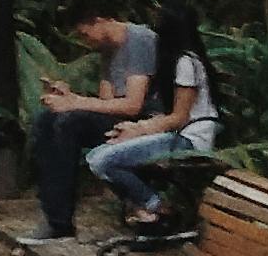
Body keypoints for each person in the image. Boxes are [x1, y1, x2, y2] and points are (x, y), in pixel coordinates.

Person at [29, 3, 158, 239]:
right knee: (46, 120)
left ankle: (60, 221)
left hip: (144, 123)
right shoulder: (108, 50)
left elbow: (133, 105)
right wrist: (69, 98)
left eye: (84, 34)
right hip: (118, 119)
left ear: (99, 21)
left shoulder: (138, 40)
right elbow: (105, 102)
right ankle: (55, 218)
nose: (86, 41)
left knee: (67, 124)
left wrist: (77, 103)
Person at [91, 14, 221, 232]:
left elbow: (180, 117)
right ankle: (150, 212)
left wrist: (139, 129)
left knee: (105, 161)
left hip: (189, 140)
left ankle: (159, 209)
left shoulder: (187, 63)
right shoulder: (175, 63)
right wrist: (134, 129)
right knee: (96, 157)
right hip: (174, 134)